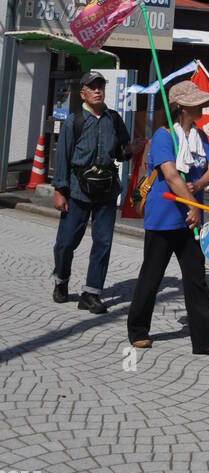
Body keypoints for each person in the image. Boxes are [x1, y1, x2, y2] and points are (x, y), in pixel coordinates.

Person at [127, 81, 209, 355]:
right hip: (165, 218)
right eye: (197, 103)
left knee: (196, 277)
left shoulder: (201, 137)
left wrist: (198, 188)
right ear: (182, 108)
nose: (202, 107)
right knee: (152, 275)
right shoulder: (163, 137)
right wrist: (192, 205)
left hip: (191, 220)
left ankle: (208, 338)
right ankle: (138, 329)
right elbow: (172, 175)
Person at [52, 70, 144, 313]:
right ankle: (61, 280)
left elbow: (120, 152)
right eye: (92, 87)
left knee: (103, 242)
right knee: (65, 243)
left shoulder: (113, 119)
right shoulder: (75, 121)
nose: (97, 90)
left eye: (100, 85)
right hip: (76, 190)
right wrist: (60, 190)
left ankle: (91, 293)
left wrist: (131, 149)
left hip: (105, 188)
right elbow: (62, 156)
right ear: (82, 92)